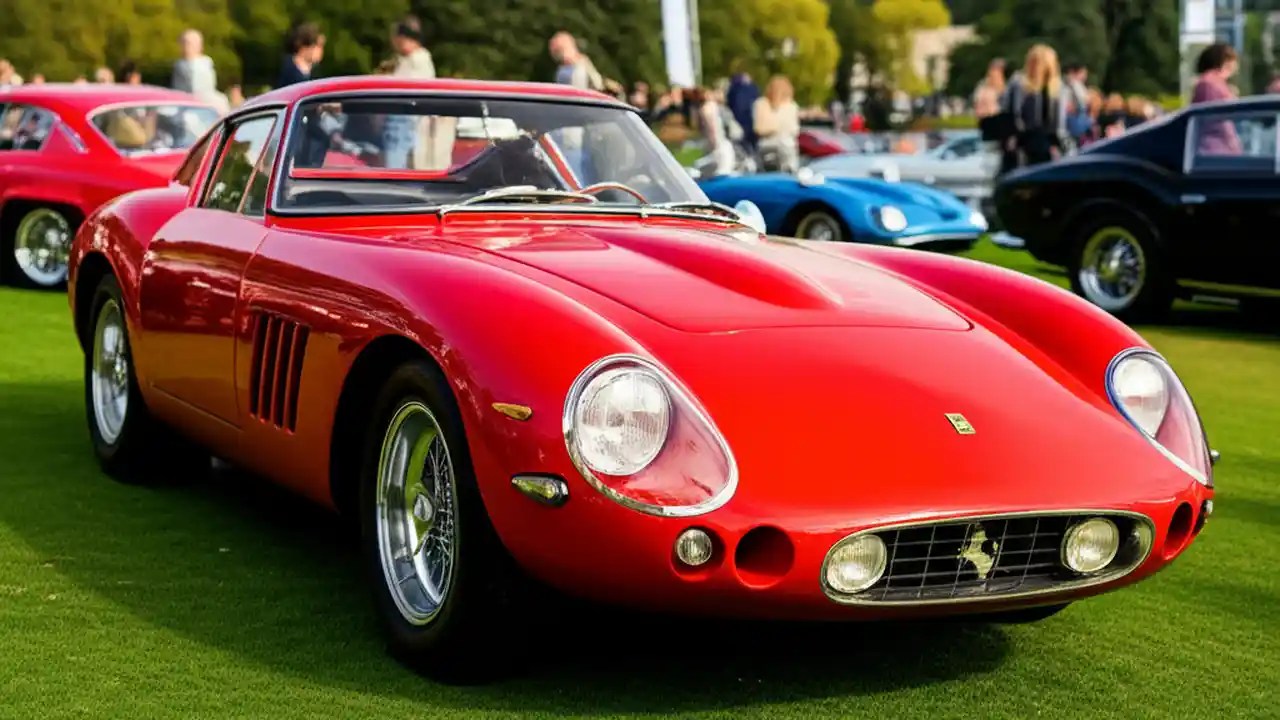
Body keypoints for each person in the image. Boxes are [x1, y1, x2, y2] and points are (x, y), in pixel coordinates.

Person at [1000, 44, 1069, 172]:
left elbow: (1059, 124)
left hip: (1046, 143)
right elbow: (1009, 112)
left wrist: (1061, 145)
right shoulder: (1018, 84)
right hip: (1023, 142)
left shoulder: (1057, 88)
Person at [1192, 43, 1241, 154]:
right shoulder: (1210, 83)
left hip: (1212, 149)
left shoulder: (1209, 82)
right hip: (1216, 150)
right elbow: (1218, 122)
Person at [752, 75, 800, 173]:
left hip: (765, 147)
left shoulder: (759, 104)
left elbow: (758, 129)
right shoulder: (792, 106)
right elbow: (795, 130)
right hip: (786, 148)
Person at [690, 87, 735, 176]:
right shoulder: (711, 107)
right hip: (721, 144)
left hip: (718, 144)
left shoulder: (707, 108)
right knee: (723, 169)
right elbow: (712, 128)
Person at [278, 22, 325, 88]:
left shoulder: (315, 73)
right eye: (318, 46)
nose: (321, 50)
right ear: (304, 46)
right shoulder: (286, 69)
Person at [726, 69, 759, 151]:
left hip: (738, 119)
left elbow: (729, 103)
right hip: (751, 120)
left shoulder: (733, 89)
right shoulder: (753, 88)